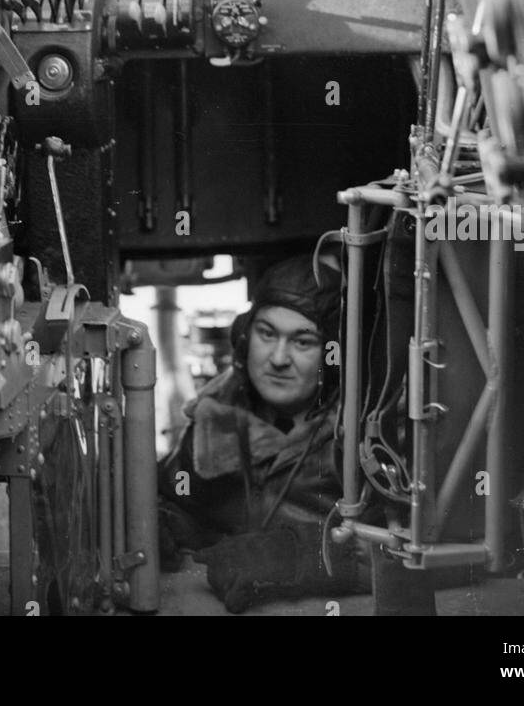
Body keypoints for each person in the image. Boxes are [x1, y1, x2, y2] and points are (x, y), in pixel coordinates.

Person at [158, 252, 372, 613]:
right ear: (244, 337)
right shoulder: (216, 417)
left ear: (334, 355)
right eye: (266, 334)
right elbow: (178, 502)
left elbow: (413, 554)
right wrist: (162, 522)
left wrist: (296, 557)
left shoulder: (365, 440)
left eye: (303, 341)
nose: (277, 358)